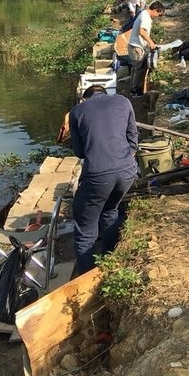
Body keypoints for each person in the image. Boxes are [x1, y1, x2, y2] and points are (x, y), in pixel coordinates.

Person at [69, 85, 138, 274]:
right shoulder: (123, 101)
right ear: (104, 94)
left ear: (85, 98)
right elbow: (133, 139)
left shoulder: (77, 111)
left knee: (85, 228)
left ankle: (86, 279)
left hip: (98, 174)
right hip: (127, 172)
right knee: (110, 210)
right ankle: (110, 262)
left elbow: (80, 152)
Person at [127, 0, 165, 96]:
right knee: (138, 69)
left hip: (135, 46)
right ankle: (135, 91)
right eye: (158, 14)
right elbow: (142, 31)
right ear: (155, 10)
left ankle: (133, 89)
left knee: (136, 69)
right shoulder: (146, 17)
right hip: (136, 48)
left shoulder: (143, 14)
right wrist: (151, 42)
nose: (157, 17)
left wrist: (148, 43)